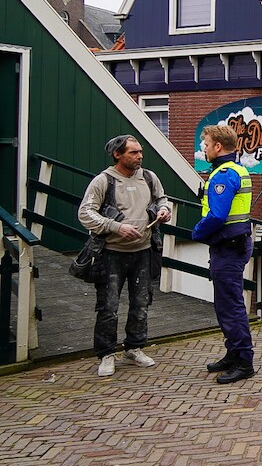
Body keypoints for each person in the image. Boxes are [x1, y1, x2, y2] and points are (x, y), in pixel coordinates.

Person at [77, 134, 170, 377]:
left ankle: (134, 348)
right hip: (111, 254)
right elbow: (85, 213)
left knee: (141, 304)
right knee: (108, 307)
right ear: (117, 154)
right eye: (133, 152)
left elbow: (162, 198)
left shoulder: (149, 177)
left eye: (140, 152)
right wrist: (116, 227)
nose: (140, 156)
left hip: (144, 251)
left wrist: (163, 210)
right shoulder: (103, 181)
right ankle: (106, 354)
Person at [193, 125, 256, 384]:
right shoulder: (238, 170)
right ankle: (233, 353)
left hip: (228, 246)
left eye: (205, 144)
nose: (203, 149)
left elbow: (217, 215)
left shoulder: (223, 174)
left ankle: (243, 360)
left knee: (230, 305)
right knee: (226, 303)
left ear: (218, 146)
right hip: (235, 243)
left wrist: (196, 232)